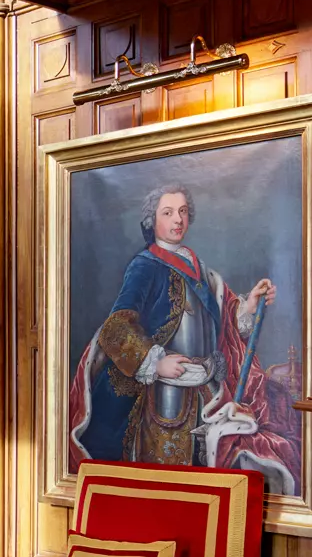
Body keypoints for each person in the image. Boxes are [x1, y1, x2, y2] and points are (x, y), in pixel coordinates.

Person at [67, 183, 300, 493]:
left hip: (205, 391)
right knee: (165, 485)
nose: (177, 219)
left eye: (183, 212)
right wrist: (157, 362)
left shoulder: (201, 269)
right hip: (161, 395)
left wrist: (250, 306)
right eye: (168, 213)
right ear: (153, 221)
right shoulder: (144, 266)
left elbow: (224, 319)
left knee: (205, 479)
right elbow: (116, 327)